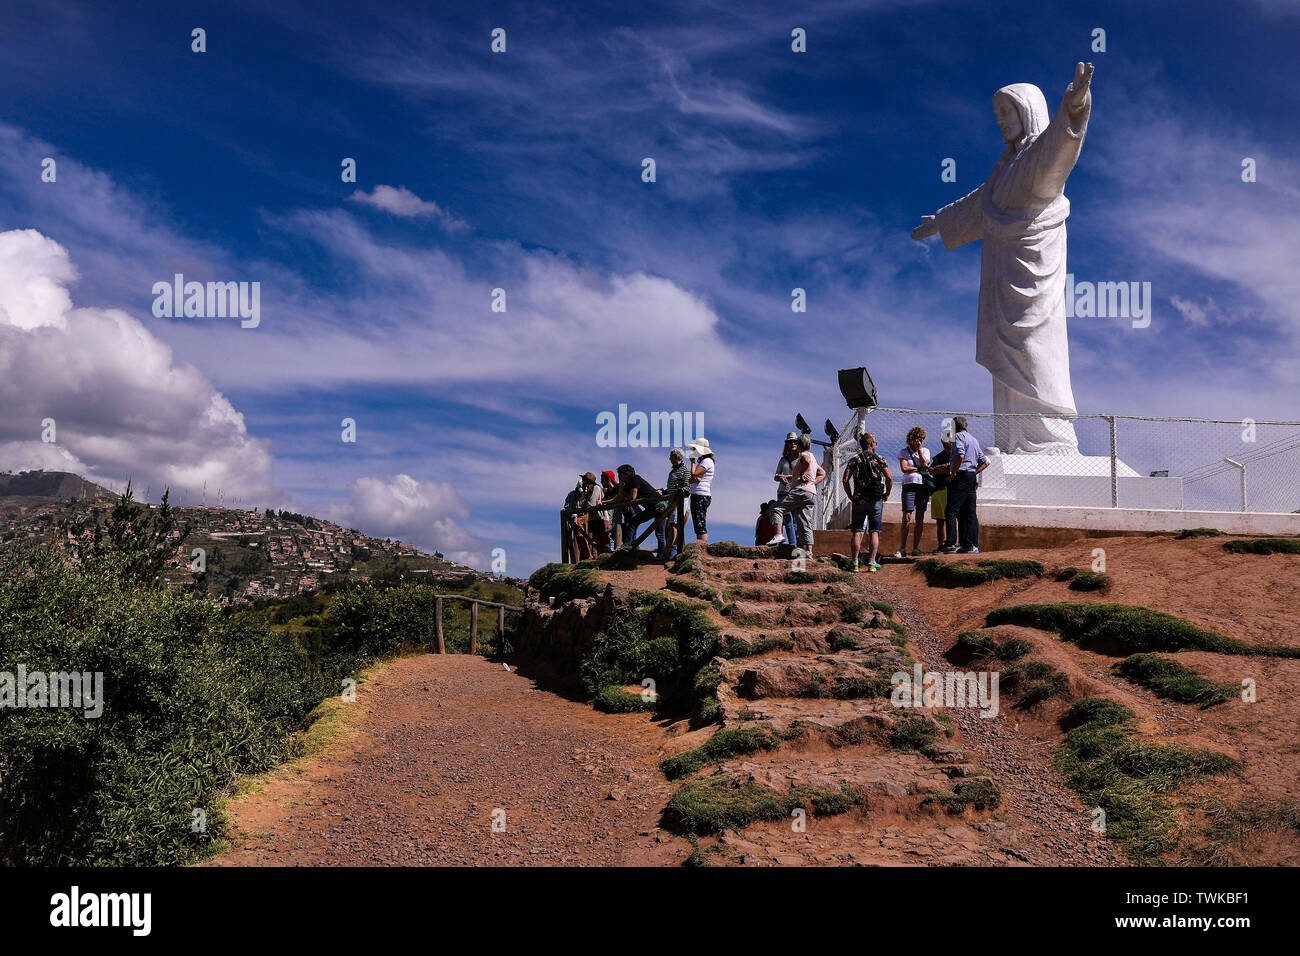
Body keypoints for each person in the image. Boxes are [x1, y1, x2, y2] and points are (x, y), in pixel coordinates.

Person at [765, 434, 824, 556]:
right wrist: (812, 482)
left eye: (795, 442)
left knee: (776, 508)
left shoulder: (803, 456)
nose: (793, 444)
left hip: (799, 491)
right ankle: (808, 552)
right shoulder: (812, 456)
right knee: (805, 522)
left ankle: (779, 535)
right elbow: (822, 473)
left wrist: (802, 471)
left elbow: (806, 462)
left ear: (800, 444)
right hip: (810, 493)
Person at [842, 432, 892, 572]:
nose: (876, 445)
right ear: (871, 444)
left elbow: (845, 480)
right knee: (874, 531)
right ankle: (871, 562)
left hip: (859, 500)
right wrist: (886, 494)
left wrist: (851, 496)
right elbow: (889, 478)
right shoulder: (880, 458)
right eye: (875, 443)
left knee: (857, 531)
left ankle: (855, 562)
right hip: (876, 499)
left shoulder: (854, 460)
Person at [946, 416, 989, 553]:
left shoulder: (958, 437)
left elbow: (960, 455)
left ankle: (951, 543)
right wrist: (973, 473)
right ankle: (970, 544)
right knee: (970, 512)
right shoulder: (974, 440)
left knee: (951, 510)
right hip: (970, 477)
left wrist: (953, 473)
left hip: (960, 476)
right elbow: (986, 461)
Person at [895, 427, 932, 558]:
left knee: (920, 517)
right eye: (918, 438)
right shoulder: (904, 452)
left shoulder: (926, 451)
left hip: (922, 486)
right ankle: (902, 548)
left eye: (922, 439)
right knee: (907, 517)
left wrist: (920, 451)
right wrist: (919, 468)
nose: (920, 441)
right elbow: (904, 468)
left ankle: (916, 547)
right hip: (909, 486)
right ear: (911, 439)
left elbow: (926, 464)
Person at [614, 463, 660, 551]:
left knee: (659, 533)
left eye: (620, 474)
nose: (619, 476)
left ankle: (628, 545)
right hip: (652, 507)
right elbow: (620, 498)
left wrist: (627, 498)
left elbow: (633, 497)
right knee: (659, 533)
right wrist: (620, 485)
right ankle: (632, 546)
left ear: (626, 474)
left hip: (658, 505)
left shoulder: (636, 479)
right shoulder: (627, 484)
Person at [927, 431, 956, 553]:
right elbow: (932, 470)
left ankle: (954, 544)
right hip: (937, 491)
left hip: (950, 490)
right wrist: (943, 468)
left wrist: (943, 468)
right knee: (940, 521)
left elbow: (951, 468)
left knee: (952, 519)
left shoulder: (956, 455)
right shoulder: (938, 456)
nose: (945, 443)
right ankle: (941, 545)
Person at [663, 448, 692, 559]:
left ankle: (666, 553)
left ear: (676, 457)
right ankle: (673, 553)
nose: (669, 458)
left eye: (671, 456)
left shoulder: (684, 470)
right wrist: (663, 491)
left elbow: (686, 487)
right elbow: (671, 488)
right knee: (671, 526)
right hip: (672, 502)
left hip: (680, 501)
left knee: (673, 526)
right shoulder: (673, 471)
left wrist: (675, 493)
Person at [773, 432, 800, 547]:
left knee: (794, 521)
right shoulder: (782, 460)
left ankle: (795, 545)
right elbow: (775, 476)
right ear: (787, 445)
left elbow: (802, 475)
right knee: (788, 519)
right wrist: (781, 478)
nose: (792, 443)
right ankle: (792, 545)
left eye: (794, 442)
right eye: (790, 442)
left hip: (795, 491)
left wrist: (788, 477)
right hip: (783, 492)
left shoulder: (800, 459)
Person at [688, 438, 715, 547]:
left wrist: (693, 463)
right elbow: (694, 478)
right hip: (699, 494)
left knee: (700, 524)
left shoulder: (706, 461)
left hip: (701, 495)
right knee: (699, 523)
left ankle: (702, 548)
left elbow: (694, 475)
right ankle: (701, 547)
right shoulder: (706, 461)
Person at [595, 470, 618, 551]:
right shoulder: (608, 492)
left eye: (602, 480)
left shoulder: (618, 488)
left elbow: (617, 499)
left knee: (622, 535)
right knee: (613, 534)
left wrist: (603, 502)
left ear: (608, 479)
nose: (601, 482)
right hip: (616, 517)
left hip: (629, 514)